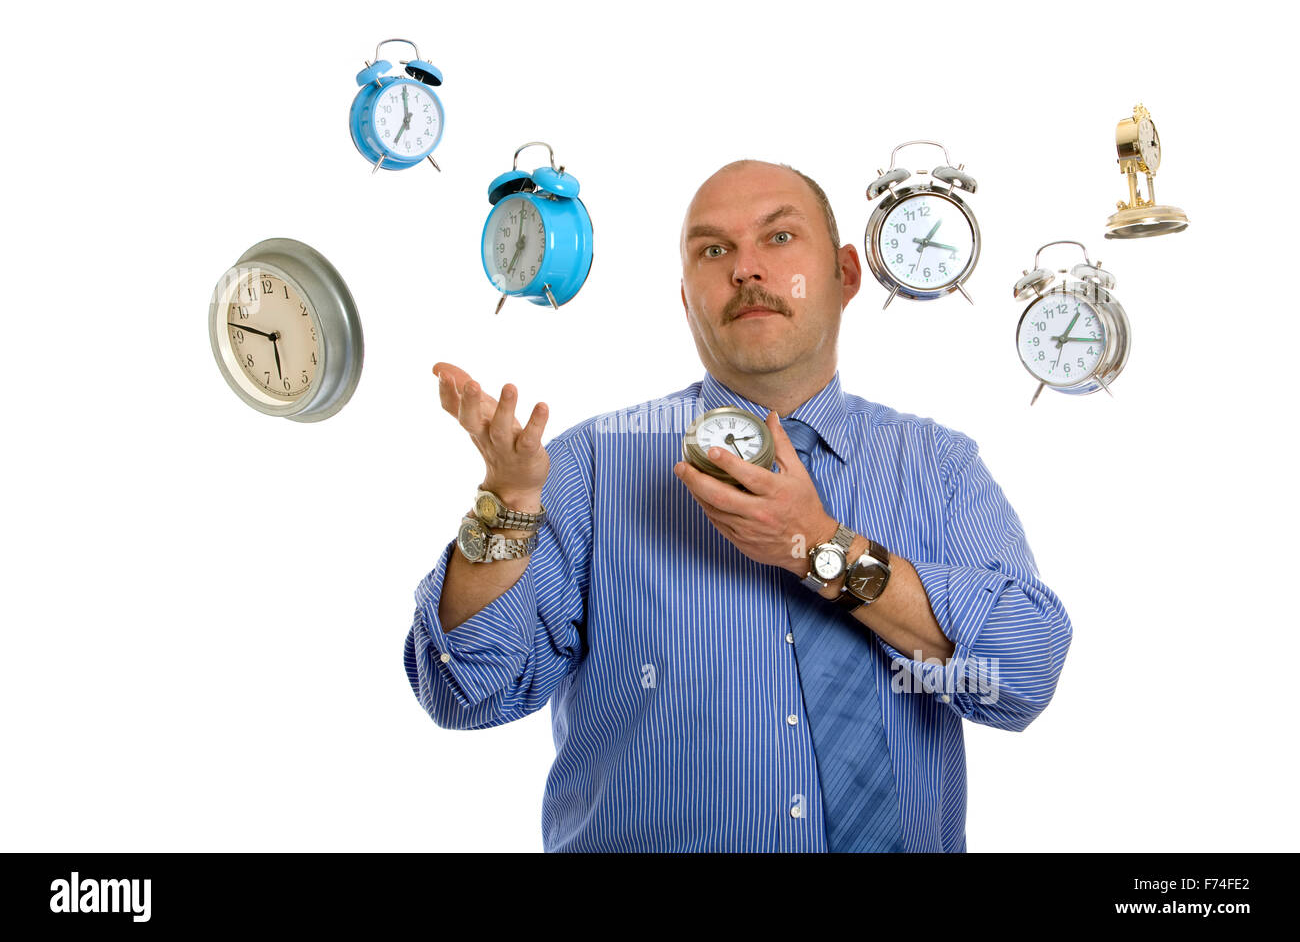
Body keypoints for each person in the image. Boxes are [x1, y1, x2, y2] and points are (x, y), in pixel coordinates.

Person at [404, 159, 1073, 852]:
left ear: (846, 275)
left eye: (778, 239)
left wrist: (818, 545)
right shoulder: (589, 467)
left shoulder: (941, 467)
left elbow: (1023, 672)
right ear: (687, 298)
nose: (745, 270)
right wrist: (506, 505)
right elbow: (465, 692)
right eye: (713, 251)